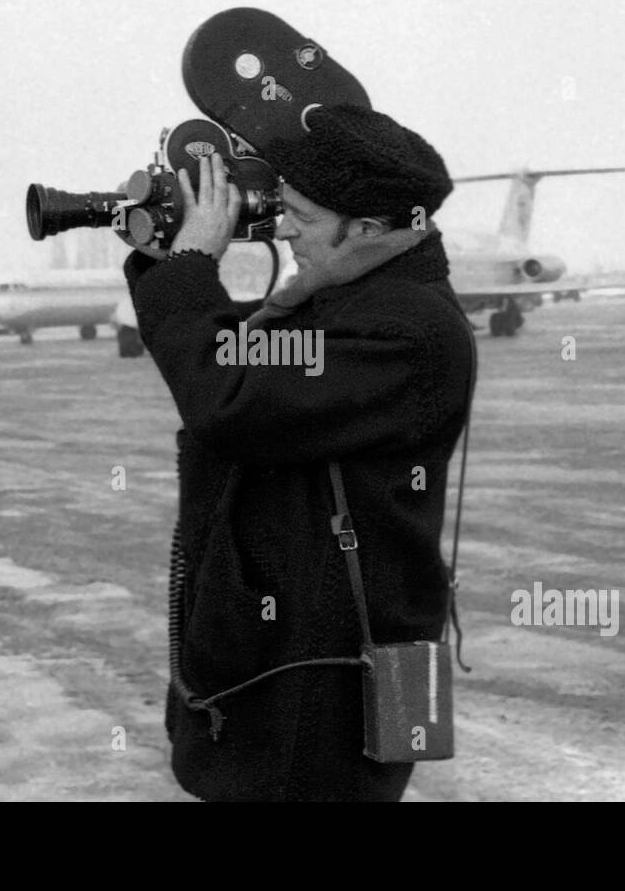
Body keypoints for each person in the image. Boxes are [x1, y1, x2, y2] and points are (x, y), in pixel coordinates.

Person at [124, 104, 474, 801]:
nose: (282, 228)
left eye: (303, 218)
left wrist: (194, 263)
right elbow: (233, 362)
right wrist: (169, 252)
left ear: (367, 231)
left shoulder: (405, 332)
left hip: (321, 680)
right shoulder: (339, 306)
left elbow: (228, 398)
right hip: (283, 656)